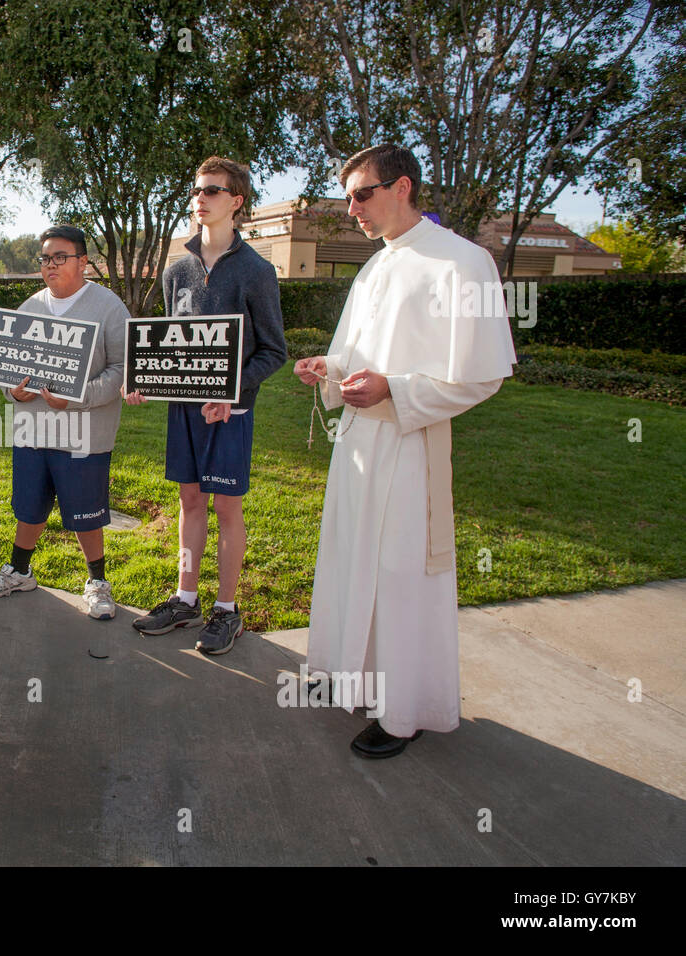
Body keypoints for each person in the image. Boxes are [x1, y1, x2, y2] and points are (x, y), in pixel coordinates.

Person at [294, 144, 515, 758]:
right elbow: (356, 351)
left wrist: (398, 390)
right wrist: (330, 366)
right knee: (348, 556)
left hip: (411, 445)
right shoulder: (375, 267)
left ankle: (404, 711)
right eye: (348, 199)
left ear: (403, 187)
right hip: (358, 443)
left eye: (362, 194)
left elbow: (482, 376)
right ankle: (351, 676)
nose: (352, 209)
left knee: (398, 574)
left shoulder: (461, 263)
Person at [128, 156, 287, 655]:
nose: (201, 198)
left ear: (236, 201)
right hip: (184, 412)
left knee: (226, 508)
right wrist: (146, 379)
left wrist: (230, 392)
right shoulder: (177, 270)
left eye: (213, 191)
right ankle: (186, 597)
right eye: (197, 190)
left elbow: (274, 351)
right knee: (189, 502)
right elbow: (172, 345)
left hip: (229, 413)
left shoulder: (257, 271)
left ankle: (226, 610)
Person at [0, 225, 127, 620]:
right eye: (44, 258)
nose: (50, 264)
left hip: (83, 433)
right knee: (29, 506)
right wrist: (14, 393)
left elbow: (121, 370)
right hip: (32, 430)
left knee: (85, 510)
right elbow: (7, 373)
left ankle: (97, 582)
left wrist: (78, 396)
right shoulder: (28, 309)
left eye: (60, 257)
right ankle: (20, 570)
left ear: (84, 263)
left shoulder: (109, 307)